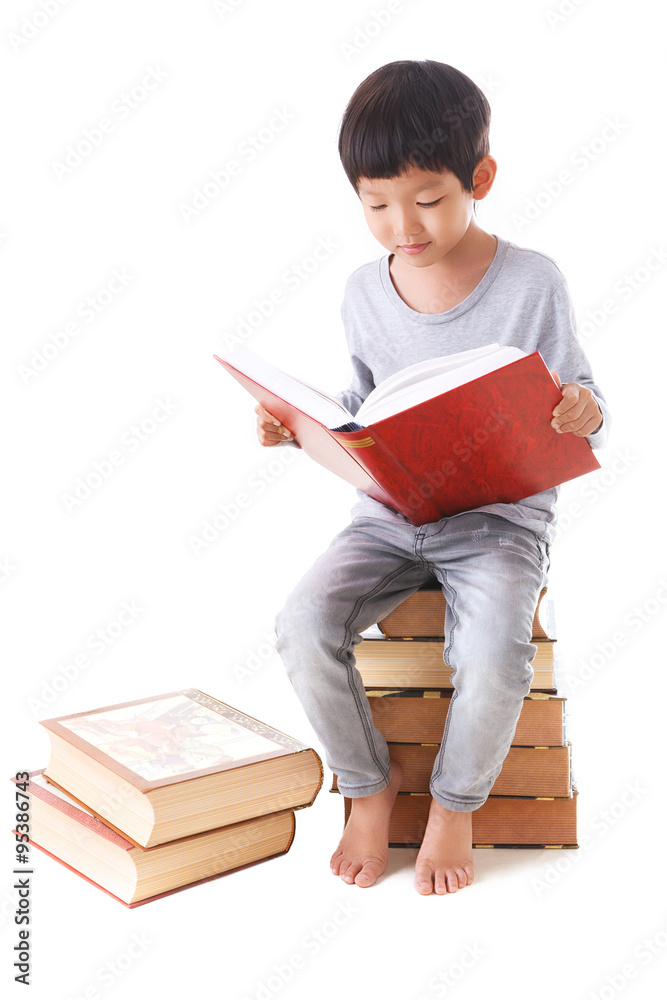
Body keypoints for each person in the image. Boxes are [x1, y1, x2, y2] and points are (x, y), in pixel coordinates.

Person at [255, 60, 609, 895]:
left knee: (493, 652)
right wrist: (297, 428)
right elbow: (363, 407)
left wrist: (579, 409)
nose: (401, 226)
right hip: (390, 513)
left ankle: (454, 805)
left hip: (497, 519)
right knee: (301, 623)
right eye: (375, 205)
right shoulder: (361, 291)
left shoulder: (531, 280)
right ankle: (367, 787)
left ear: (478, 179)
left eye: (426, 199)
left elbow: (583, 397)